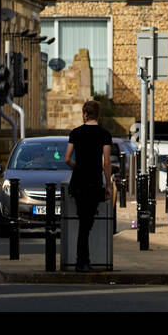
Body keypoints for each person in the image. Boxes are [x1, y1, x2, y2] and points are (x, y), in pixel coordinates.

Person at [64, 100, 113, 271]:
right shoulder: (104, 134)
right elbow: (106, 162)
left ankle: (82, 261)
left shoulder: (75, 133)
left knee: (84, 223)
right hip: (93, 182)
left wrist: (78, 168)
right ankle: (82, 262)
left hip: (78, 182)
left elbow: (67, 158)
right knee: (86, 224)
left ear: (85, 114)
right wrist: (108, 184)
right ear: (97, 114)